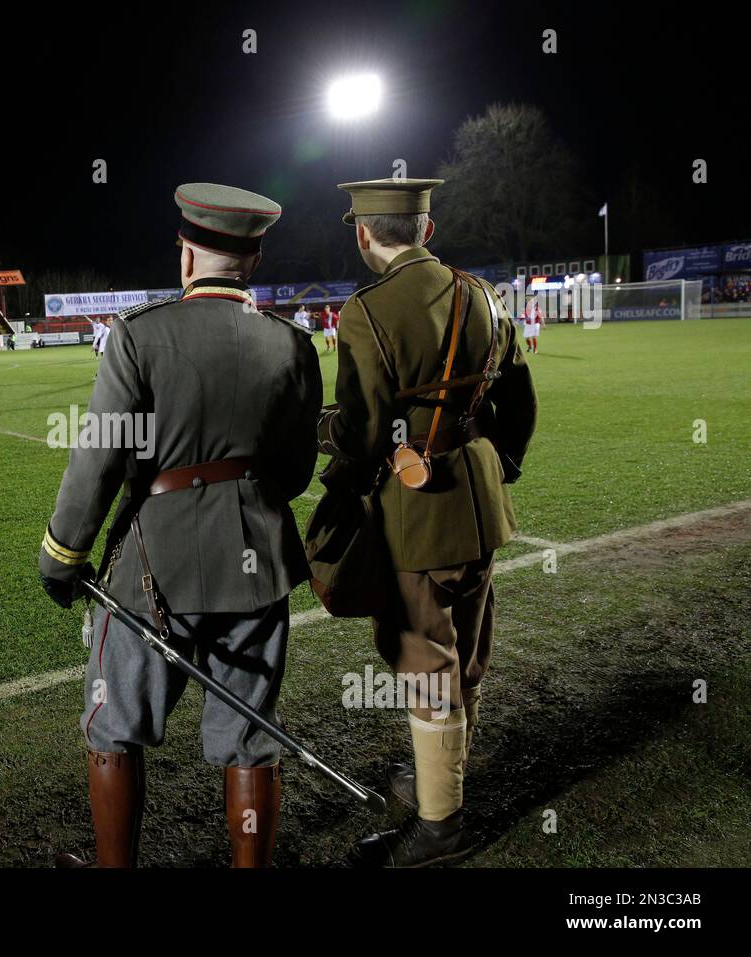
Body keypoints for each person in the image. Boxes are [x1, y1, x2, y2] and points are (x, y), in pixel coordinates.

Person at [41, 183, 320, 868]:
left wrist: (62, 554)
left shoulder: (141, 335)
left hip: (151, 567)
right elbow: (295, 472)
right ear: (251, 259)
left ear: (187, 255)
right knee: (251, 735)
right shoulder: (291, 345)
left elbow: (99, 456)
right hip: (257, 562)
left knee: (115, 727)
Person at [316, 177, 537, 867]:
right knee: (464, 654)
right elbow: (521, 400)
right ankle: (440, 777)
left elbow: (361, 431)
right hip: (481, 499)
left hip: (418, 515)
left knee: (424, 665)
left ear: (363, 234)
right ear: (427, 231)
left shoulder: (366, 311)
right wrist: (499, 464)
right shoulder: (483, 295)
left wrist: (316, 432)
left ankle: (440, 828)